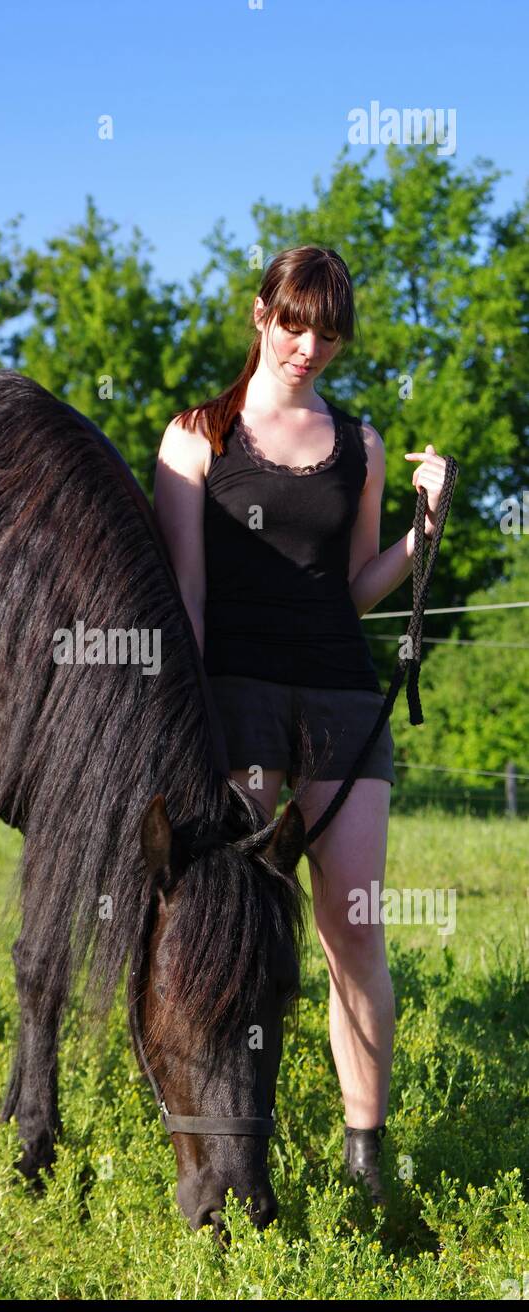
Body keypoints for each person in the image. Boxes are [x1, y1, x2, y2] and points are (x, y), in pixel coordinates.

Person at [153, 244, 451, 1204]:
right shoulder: (195, 438)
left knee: (352, 929)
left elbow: (355, 590)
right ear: (260, 315)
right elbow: (188, 597)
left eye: (326, 330)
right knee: (239, 931)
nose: (308, 346)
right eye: (293, 323)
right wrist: (190, 724)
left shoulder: (358, 446)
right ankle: (239, 1147)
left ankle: (366, 1160)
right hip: (234, 702)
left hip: (339, 698)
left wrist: (425, 533)